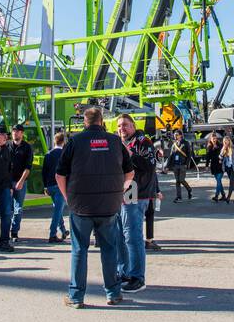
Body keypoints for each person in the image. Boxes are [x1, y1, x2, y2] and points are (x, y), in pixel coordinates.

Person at [57, 107, 133, 308]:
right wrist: (120, 192)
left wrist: (67, 198)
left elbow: (59, 174)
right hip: (109, 206)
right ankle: (113, 294)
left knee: (79, 250)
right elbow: (130, 173)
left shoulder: (74, 141)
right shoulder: (115, 141)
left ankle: (76, 297)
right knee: (109, 249)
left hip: (81, 206)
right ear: (102, 121)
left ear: (85, 122)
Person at [116, 116, 155, 292]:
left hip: (136, 193)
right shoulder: (118, 143)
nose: (121, 128)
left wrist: (130, 154)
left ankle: (137, 277)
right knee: (119, 236)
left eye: (125, 125)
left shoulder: (143, 141)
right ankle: (123, 272)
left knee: (132, 236)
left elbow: (150, 166)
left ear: (133, 125)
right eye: (118, 126)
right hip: (120, 194)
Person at [7, 123, 33, 242]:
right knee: (7, 209)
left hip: (20, 182)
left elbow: (28, 167)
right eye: (13, 131)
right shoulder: (6, 146)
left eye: (17, 131)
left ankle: (14, 232)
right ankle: (5, 231)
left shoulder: (27, 148)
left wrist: (21, 181)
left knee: (18, 209)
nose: (15, 133)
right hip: (7, 182)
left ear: (22, 133)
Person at [42, 131, 69, 244]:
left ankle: (63, 230)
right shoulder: (65, 154)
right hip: (60, 185)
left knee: (58, 208)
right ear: (64, 141)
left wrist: (45, 186)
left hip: (50, 185)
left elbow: (44, 172)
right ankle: (52, 234)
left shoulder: (48, 154)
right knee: (58, 211)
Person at [167, 130, 194, 201]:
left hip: (182, 165)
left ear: (181, 135)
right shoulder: (174, 144)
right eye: (174, 135)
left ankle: (189, 189)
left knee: (181, 180)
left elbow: (189, 155)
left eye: (176, 135)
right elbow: (171, 156)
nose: (175, 136)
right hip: (175, 165)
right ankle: (179, 197)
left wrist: (186, 164)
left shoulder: (186, 143)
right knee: (177, 181)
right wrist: (167, 166)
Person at [220, 135, 234, 203]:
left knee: (231, 182)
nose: (226, 142)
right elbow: (220, 158)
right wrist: (223, 151)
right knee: (233, 183)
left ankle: (228, 197)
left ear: (229, 141)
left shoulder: (233, 147)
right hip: (228, 168)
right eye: (225, 141)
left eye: (227, 141)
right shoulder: (223, 148)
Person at [205, 134, 225, 201]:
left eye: (215, 138)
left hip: (220, 165)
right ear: (210, 139)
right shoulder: (209, 147)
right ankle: (223, 195)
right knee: (219, 181)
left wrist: (221, 160)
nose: (214, 140)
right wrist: (207, 165)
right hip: (213, 166)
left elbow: (223, 154)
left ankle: (216, 195)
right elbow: (207, 158)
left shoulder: (220, 145)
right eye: (213, 138)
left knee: (218, 181)